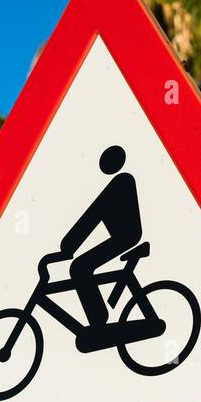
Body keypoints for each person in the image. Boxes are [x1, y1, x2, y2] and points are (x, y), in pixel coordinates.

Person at [59, 146, 142, 349]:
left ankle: (99, 323)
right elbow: (92, 216)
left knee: (79, 268)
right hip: (121, 236)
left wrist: (68, 246)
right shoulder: (117, 182)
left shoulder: (122, 182)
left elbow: (94, 215)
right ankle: (99, 320)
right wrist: (68, 246)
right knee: (80, 267)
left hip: (127, 237)